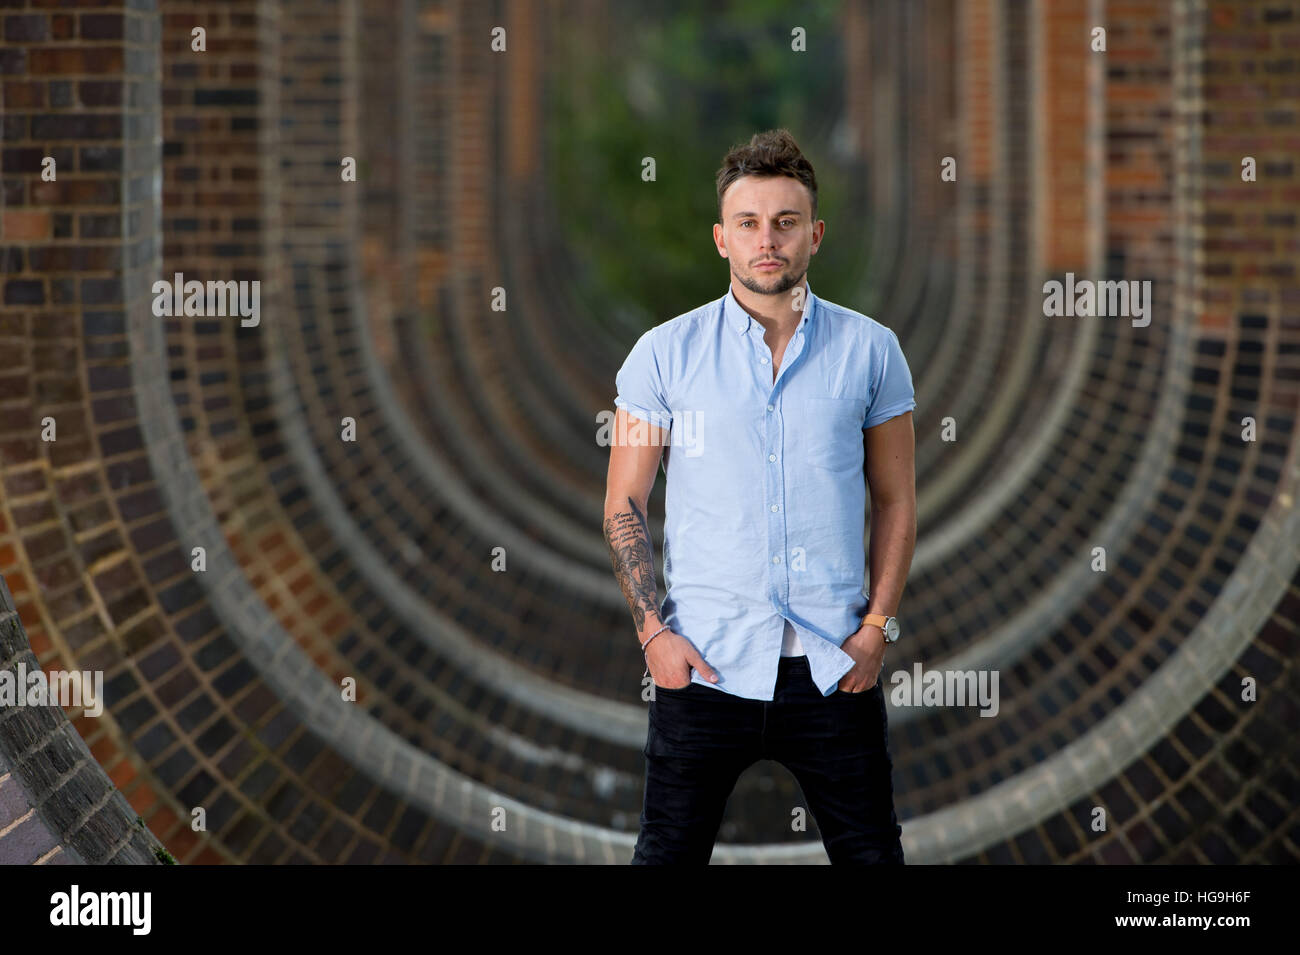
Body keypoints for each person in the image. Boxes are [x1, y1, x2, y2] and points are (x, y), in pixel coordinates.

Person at [604, 128, 916, 864]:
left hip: (832, 666)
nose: (766, 239)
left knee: (874, 857)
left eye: (785, 222)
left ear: (815, 233)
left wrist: (875, 628)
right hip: (703, 667)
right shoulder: (663, 354)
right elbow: (625, 501)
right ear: (722, 238)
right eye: (748, 223)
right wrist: (655, 635)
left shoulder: (872, 350)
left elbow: (896, 499)